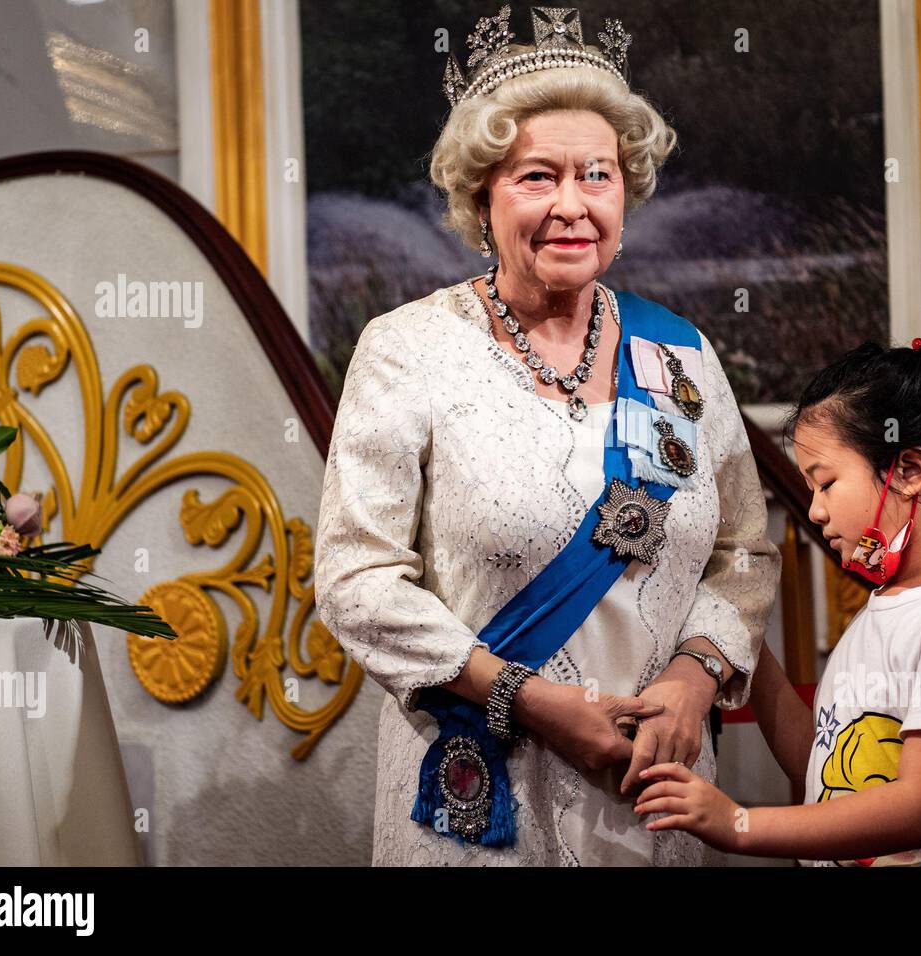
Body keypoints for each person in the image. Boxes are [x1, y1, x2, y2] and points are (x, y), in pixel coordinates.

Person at [313, 4, 781, 866]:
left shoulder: (678, 354)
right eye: (537, 177)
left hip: (656, 792)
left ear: (625, 192)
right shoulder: (408, 348)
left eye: (596, 175)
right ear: (482, 197)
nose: (572, 206)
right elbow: (356, 579)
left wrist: (692, 680)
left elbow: (743, 553)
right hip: (480, 790)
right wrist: (529, 700)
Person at [634, 333, 921, 866]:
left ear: (909, 471)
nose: (815, 511)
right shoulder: (886, 609)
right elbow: (823, 776)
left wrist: (739, 823)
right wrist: (740, 641)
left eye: (826, 484)